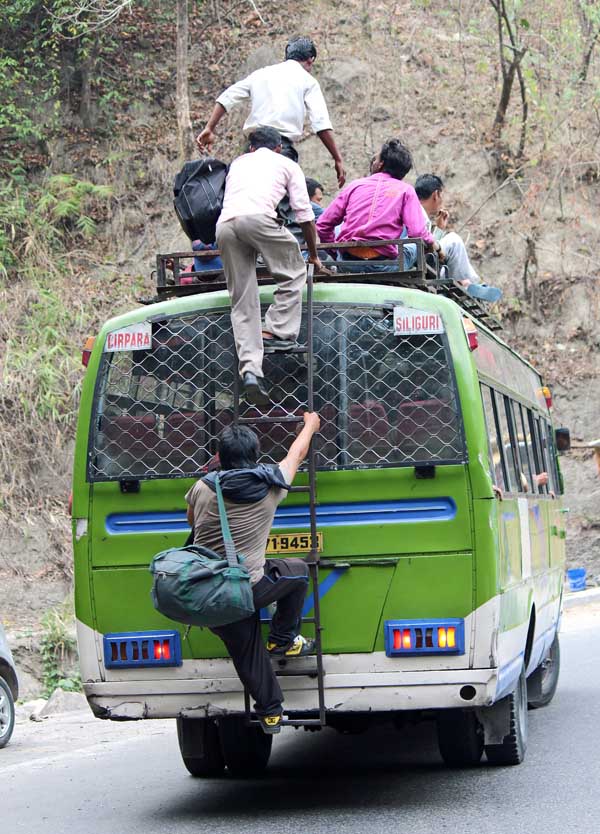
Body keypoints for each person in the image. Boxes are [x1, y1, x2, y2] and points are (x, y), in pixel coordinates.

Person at [185, 414, 321, 734]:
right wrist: (310, 426)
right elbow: (297, 454)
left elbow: (192, 521)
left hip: (208, 592)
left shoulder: (202, 488)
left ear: (220, 456)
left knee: (246, 648)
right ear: (256, 455)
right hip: (251, 586)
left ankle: (271, 712)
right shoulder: (271, 486)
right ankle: (282, 639)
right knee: (298, 572)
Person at [216, 126, 325, 406]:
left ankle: (251, 370)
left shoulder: (238, 163)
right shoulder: (286, 164)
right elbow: (304, 214)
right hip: (258, 219)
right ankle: (277, 328)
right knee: (294, 271)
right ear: (278, 148)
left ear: (251, 147)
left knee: (242, 299)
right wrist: (313, 255)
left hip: (225, 226)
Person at [197, 36, 345, 187]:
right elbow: (320, 123)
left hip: (252, 148)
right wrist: (337, 158)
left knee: (243, 192)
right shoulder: (308, 81)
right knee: (280, 197)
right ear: (310, 60)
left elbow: (227, 97)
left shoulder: (261, 74)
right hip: (280, 149)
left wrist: (209, 128)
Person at [316, 139, 438, 272]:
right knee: (414, 247)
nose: (373, 162)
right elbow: (417, 233)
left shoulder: (355, 186)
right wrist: (433, 244)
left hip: (348, 263)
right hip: (385, 266)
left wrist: (335, 253)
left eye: (375, 159)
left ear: (381, 164)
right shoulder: (406, 190)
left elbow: (323, 224)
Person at [415, 174, 502, 303]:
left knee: (447, 267)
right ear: (436, 195)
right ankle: (467, 284)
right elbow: (427, 245)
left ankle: (465, 283)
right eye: (441, 195)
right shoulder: (418, 212)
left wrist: (439, 229)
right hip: (419, 260)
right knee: (453, 240)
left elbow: (428, 242)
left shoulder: (416, 211)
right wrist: (439, 245)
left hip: (421, 259)